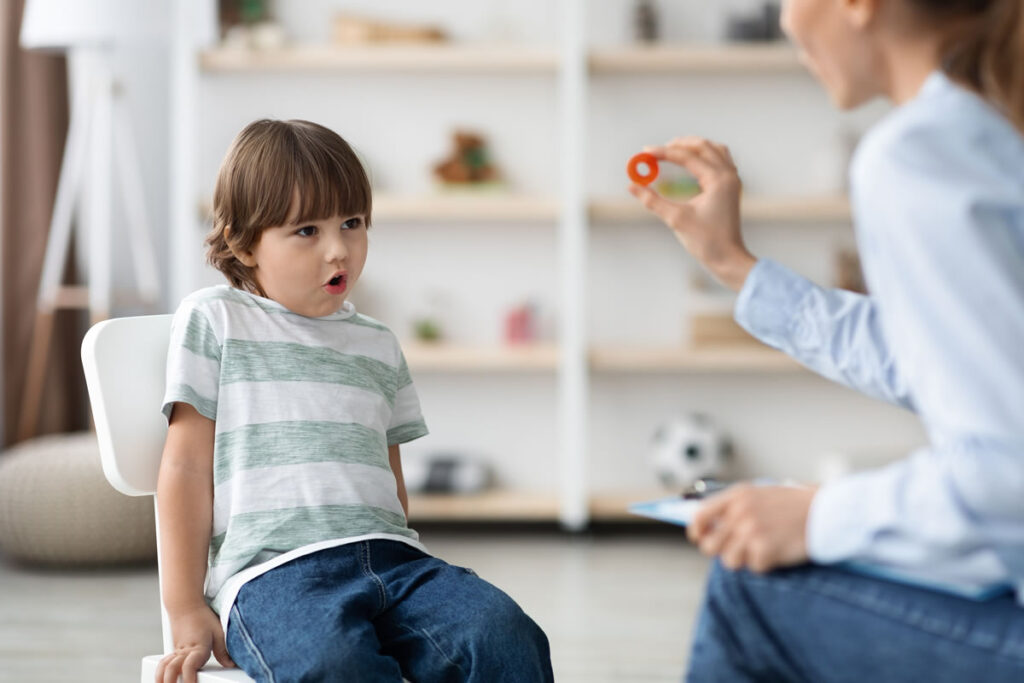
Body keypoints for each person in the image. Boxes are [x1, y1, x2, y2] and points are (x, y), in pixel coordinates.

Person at [629, 0, 1024, 681]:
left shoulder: (919, 154)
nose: (784, 21)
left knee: (751, 593)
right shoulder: (989, 127)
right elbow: (934, 356)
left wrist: (817, 515)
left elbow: (1004, 472)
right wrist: (733, 263)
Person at [155, 119, 553, 683]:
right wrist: (185, 606)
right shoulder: (215, 319)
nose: (339, 250)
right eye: (306, 232)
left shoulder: (378, 344)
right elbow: (185, 466)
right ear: (245, 243)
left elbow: (389, 476)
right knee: (335, 664)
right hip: (274, 574)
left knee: (504, 633)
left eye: (352, 223)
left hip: (395, 560)